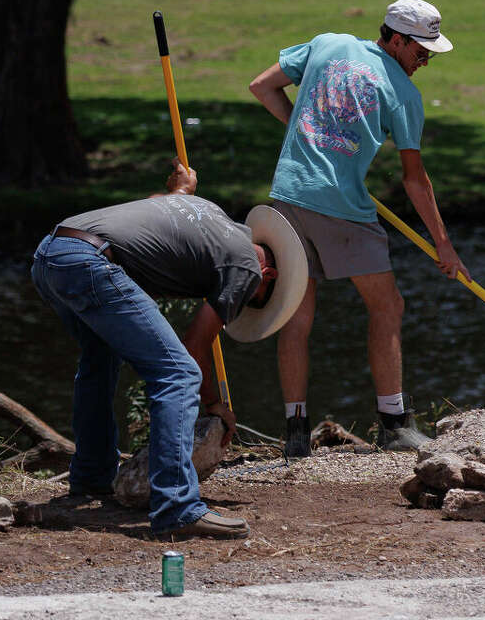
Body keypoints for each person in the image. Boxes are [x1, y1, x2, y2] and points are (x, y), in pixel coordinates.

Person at [29, 163, 307, 540]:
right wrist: (215, 406)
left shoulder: (209, 211)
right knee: (178, 373)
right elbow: (194, 348)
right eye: (253, 300)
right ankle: (176, 507)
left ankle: (92, 478)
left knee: (100, 358)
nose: (243, 302)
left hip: (52, 253)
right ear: (268, 276)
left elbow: (162, 203)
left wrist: (183, 187)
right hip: (91, 263)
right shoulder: (248, 268)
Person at [249, 0, 468, 457]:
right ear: (395, 37)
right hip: (341, 208)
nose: (424, 61)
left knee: (295, 314)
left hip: (287, 195)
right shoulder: (404, 95)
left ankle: (295, 435)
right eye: (420, 51)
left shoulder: (327, 44)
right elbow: (414, 179)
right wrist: (443, 244)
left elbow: (262, 87)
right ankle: (393, 424)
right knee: (387, 306)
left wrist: (301, 133)